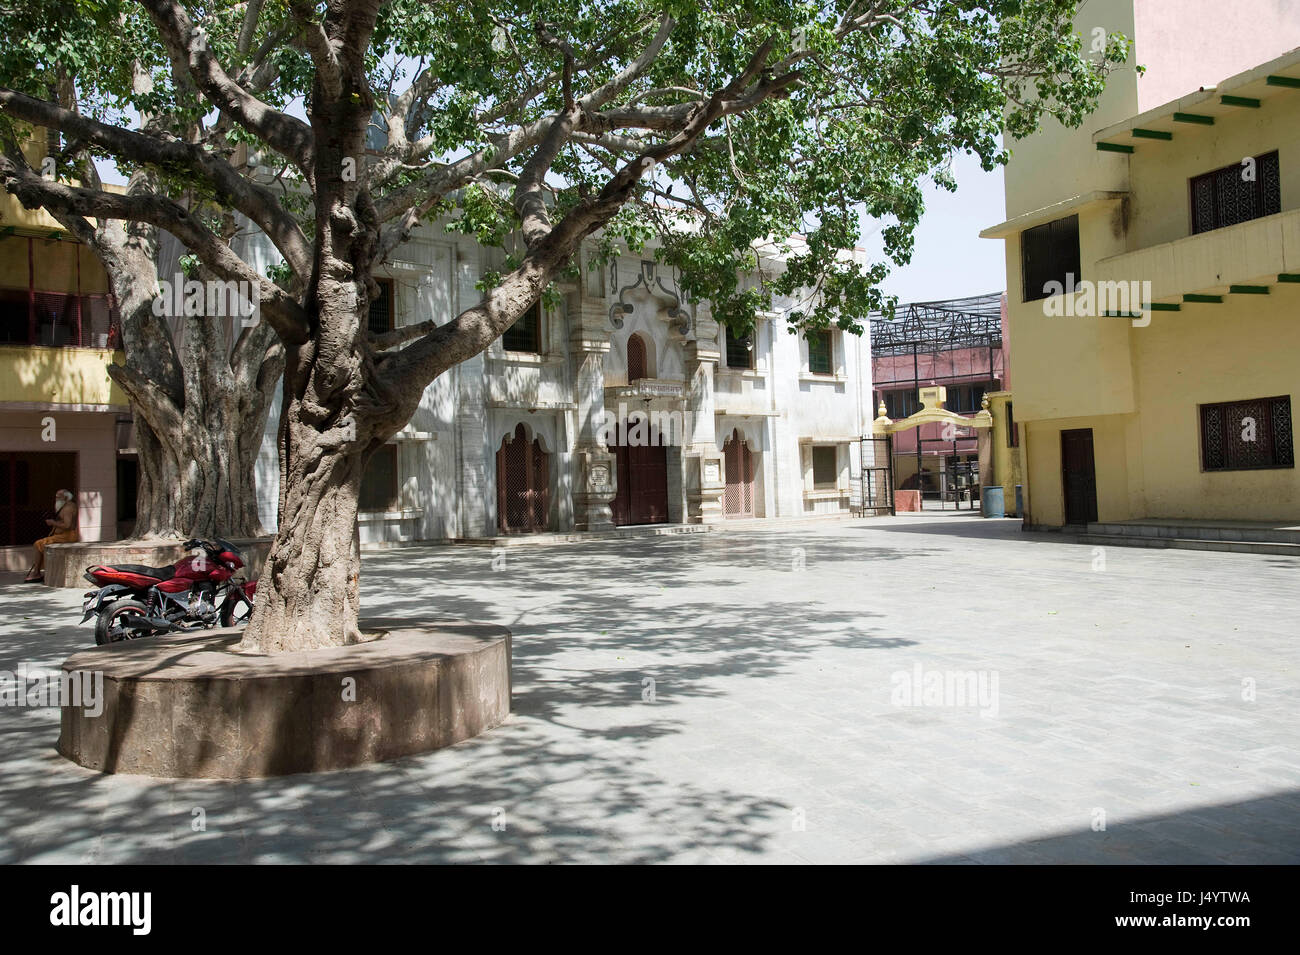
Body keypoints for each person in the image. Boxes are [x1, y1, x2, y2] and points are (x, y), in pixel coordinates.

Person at [24, 489, 79, 583]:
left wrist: (53, 522)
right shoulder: (66, 506)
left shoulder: (68, 508)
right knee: (41, 544)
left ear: (65, 497)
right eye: (56, 496)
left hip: (67, 536)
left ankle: (36, 572)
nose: (56, 498)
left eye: (58, 497)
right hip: (61, 534)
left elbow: (68, 525)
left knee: (38, 544)